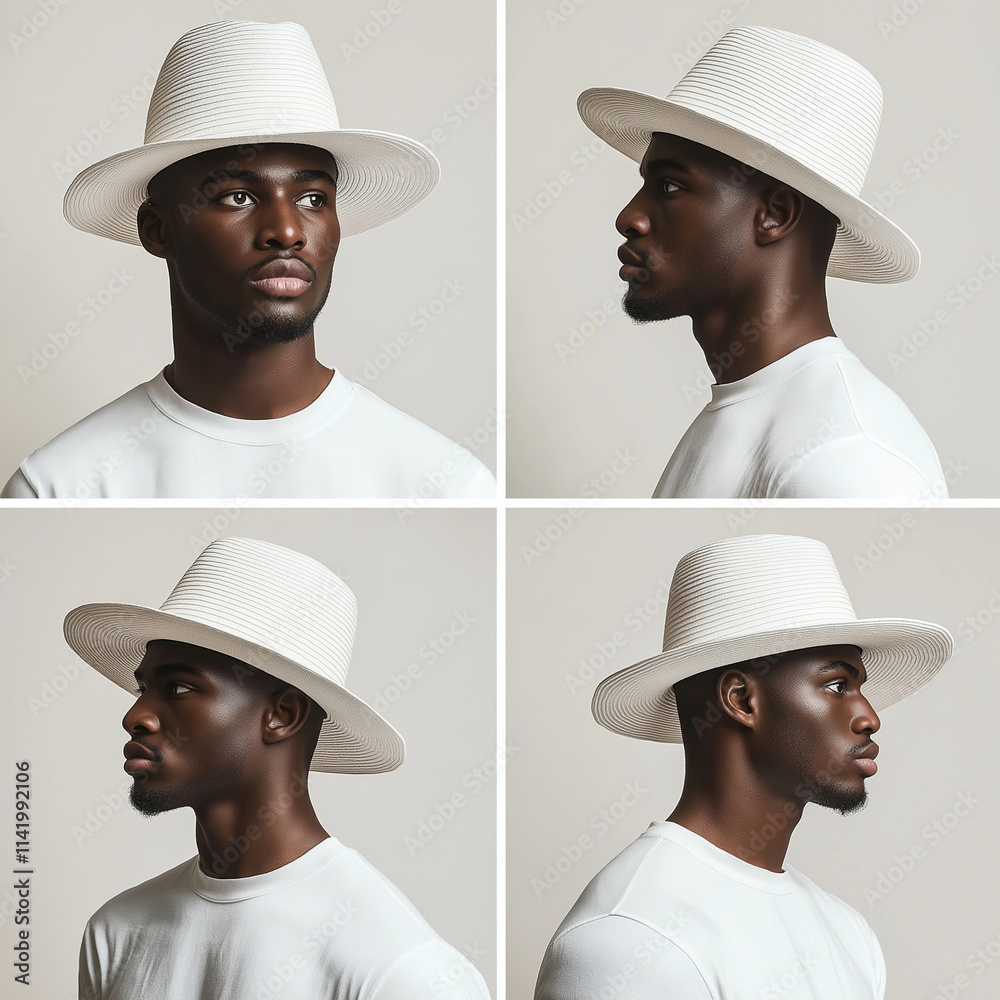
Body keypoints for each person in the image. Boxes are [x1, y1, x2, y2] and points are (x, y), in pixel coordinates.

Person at [3, 20, 494, 499]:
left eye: (313, 199)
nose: (287, 232)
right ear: (157, 229)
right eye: (238, 197)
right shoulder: (61, 485)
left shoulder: (441, 483)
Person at [65, 535, 491, 1000]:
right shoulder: (116, 930)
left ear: (282, 715)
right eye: (142, 688)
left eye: (180, 689)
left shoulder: (399, 970)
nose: (135, 716)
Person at [534, 533, 953, 999]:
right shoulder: (632, 941)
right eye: (836, 685)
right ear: (740, 700)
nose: (869, 717)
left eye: (860, 687)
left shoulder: (848, 933)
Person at [576, 25, 947, 499]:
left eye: (669, 187)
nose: (629, 217)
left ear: (775, 215)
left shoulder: (846, 455)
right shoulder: (755, 412)